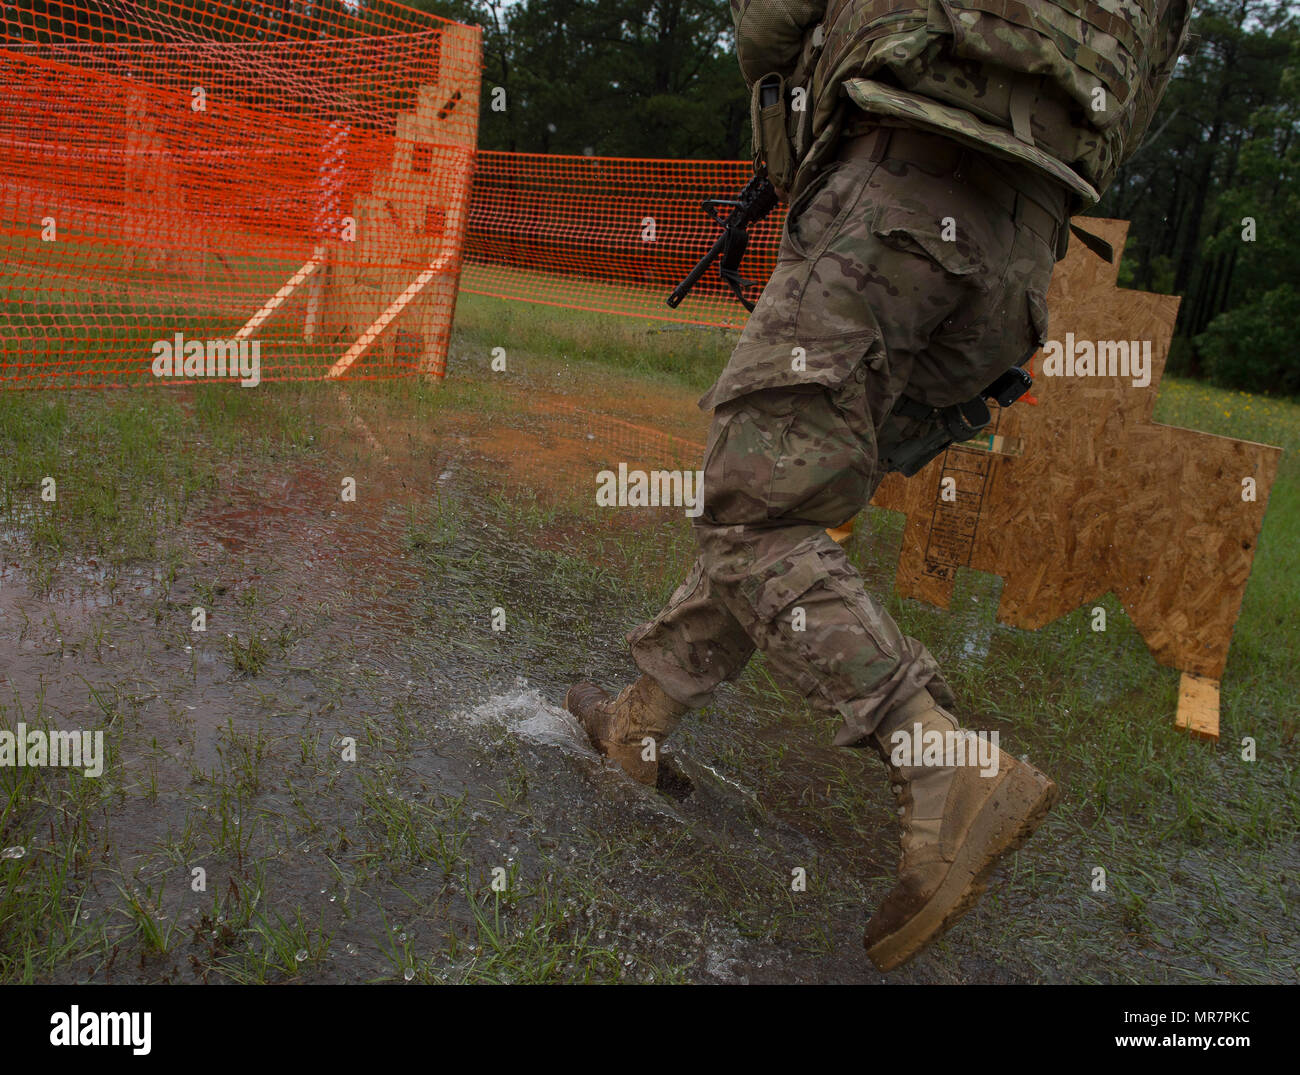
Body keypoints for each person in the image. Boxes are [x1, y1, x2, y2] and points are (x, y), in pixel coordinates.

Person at [568, 0, 1192, 972]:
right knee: (787, 512)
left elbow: (769, 29)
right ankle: (636, 726)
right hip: (1025, 251)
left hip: (899, 192)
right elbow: (1137, 92)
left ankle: (945, 769)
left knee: (756, 516)